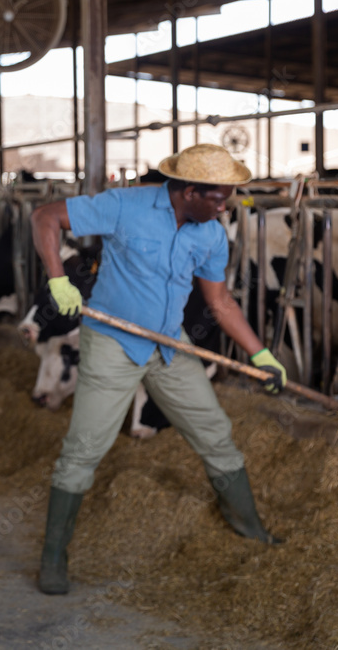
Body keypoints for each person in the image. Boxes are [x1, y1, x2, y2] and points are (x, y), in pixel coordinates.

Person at [30, 144, 288, 595]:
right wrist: (58, 277)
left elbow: (219, 301)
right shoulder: (125, 205)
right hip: (113, 342)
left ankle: (249, 529)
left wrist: (260, 354)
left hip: (170, 345)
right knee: (83, 450)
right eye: (218, 197)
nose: (225, 205)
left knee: (215, 432)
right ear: (189, 190)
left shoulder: (211, 235)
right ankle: (53, 557)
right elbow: (45, 217)